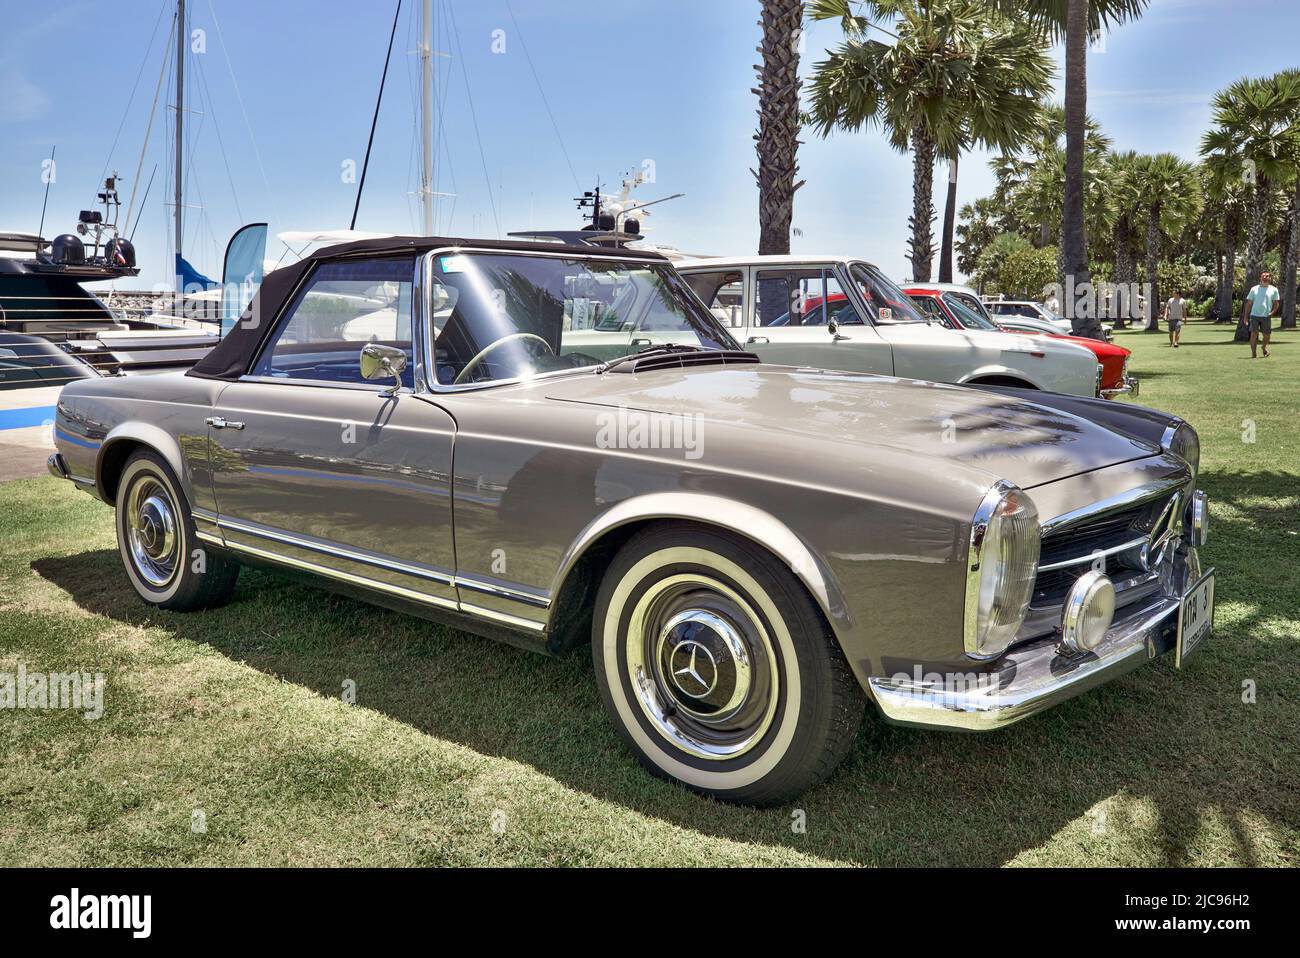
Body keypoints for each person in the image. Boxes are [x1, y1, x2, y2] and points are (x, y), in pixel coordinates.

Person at [1243, 271, 1280, 358]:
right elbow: (1249, 303)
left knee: (1266, 336)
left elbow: (1276, 303)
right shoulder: (1254, 289)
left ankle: (1263, 347)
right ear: (1260, 277)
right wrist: (1245, 317)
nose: (1265, 277)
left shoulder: (1274, 290)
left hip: (1266, 316)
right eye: (1263, 276)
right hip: (1254, 315)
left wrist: (1272, 312)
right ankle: (1254, 354)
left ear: (1270, 278)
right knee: (1253, 334)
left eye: (1267, 276)